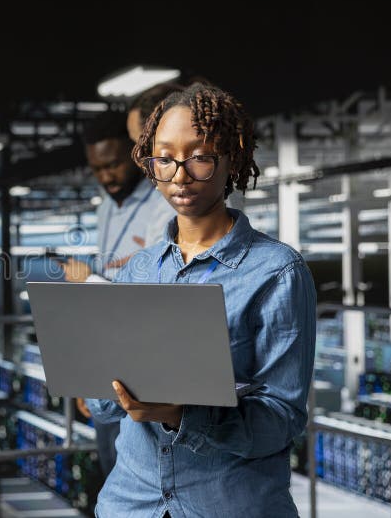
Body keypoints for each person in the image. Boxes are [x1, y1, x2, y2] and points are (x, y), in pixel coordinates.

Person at [86, 82, 316, 517]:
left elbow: (281, 419)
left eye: (199, 157)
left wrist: (181, 414)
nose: (179, 175)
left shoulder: (277, 272)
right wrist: (87, 367)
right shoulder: (139, 270)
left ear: (233, 157)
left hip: (228, 504)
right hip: (132, 504)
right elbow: (103, 407)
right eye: (164, 159)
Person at [61, 108, 176, 479]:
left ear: (134, 153)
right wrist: (87, 375)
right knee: (111, 466)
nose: (106, 177)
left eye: (112, 165)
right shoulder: (106, 208)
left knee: (149, 470)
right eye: (97, 169)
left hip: (150, 354)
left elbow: (159, 293)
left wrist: (88, 281)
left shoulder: (164, 204)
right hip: (109, 351)